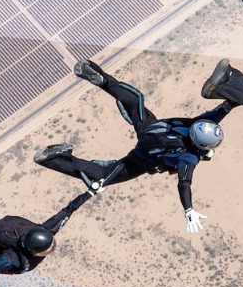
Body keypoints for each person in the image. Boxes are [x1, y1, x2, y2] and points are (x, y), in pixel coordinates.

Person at [34, 59, 230, 233]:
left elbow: (224, 108)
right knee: (101, 176)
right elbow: (184, 184)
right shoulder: (187, 158)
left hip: (151, 129)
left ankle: (100, 77)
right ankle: (51, 159)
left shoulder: (197, 122)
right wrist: (188, 209)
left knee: (133, 100)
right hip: (140, 160)